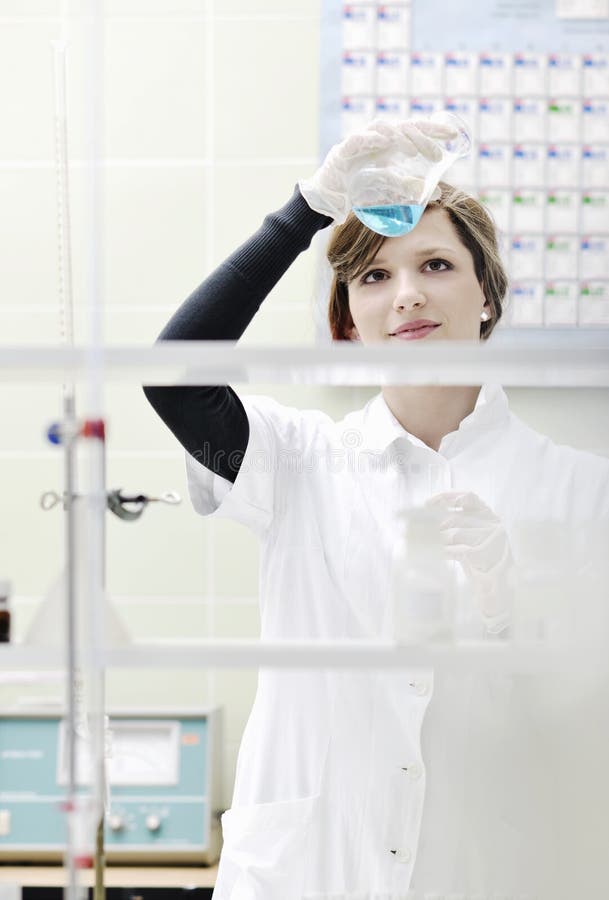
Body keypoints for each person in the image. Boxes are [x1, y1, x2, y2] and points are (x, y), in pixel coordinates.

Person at [144, 120, 609, 900]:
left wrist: (510, 610)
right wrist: (305, 211)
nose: (407, 295)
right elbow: (174, 376)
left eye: (435, 264)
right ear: (346, 322)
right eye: (371, 277)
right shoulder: (292, 462)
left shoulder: (578, 490)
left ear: (488, 297)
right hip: (308, 873)